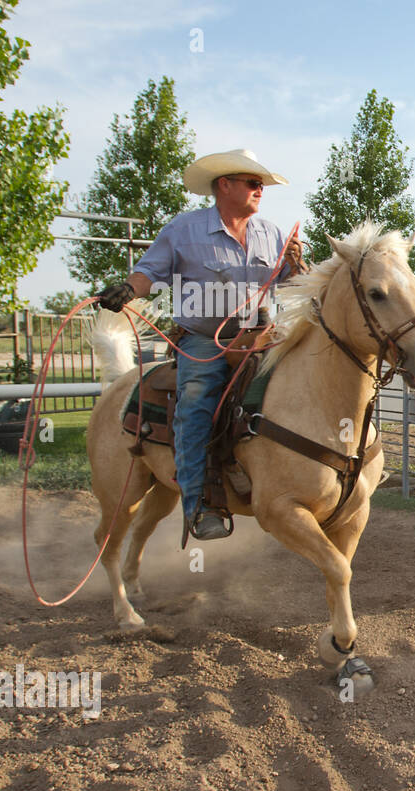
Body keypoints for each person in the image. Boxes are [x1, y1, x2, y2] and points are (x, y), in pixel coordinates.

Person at [95, 149, 305, 541]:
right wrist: (128, 289)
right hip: (205, 341)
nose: (260, 190)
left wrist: (298, 267)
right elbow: (149, 272)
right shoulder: (183, 230)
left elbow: (292, 289)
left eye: (261, 184)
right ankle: (199, 504)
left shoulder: (273, 234)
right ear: (224, 185)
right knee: (195, 401)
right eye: (252, 183)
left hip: (261, 335)